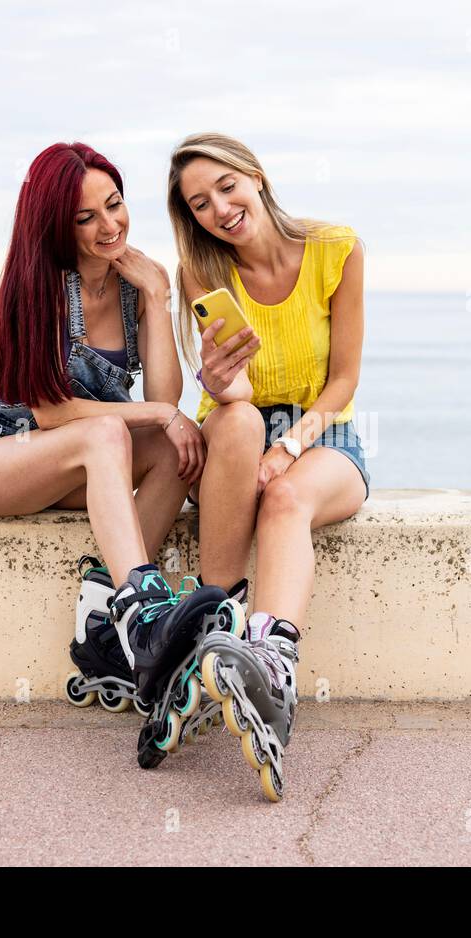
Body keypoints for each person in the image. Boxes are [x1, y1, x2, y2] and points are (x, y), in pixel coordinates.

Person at [0, 141, 209, 713]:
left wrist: (159, 298)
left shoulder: (141, 283)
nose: (109, 225)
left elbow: (165, 401)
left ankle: (102, 622)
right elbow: (51, 413)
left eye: (114, 204)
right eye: (86, 218)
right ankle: (142, 611)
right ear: (57, 227)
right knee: (113, 431)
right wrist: (159, 414)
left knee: (179, 448)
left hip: (80, 463)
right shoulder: (36, 287)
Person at [165, 132, 371, 800]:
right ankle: (210, 645)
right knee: (245, 425)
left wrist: (291, 445)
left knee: (287, 501)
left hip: (320, 431)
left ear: (256, 176)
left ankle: (271, 670)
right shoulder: (202, 272)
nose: (219, 209)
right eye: (199, 204)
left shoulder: (336, 249)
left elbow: (343, 382)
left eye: (226, 187)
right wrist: (222, 381)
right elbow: (239, 400)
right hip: (234, 426)